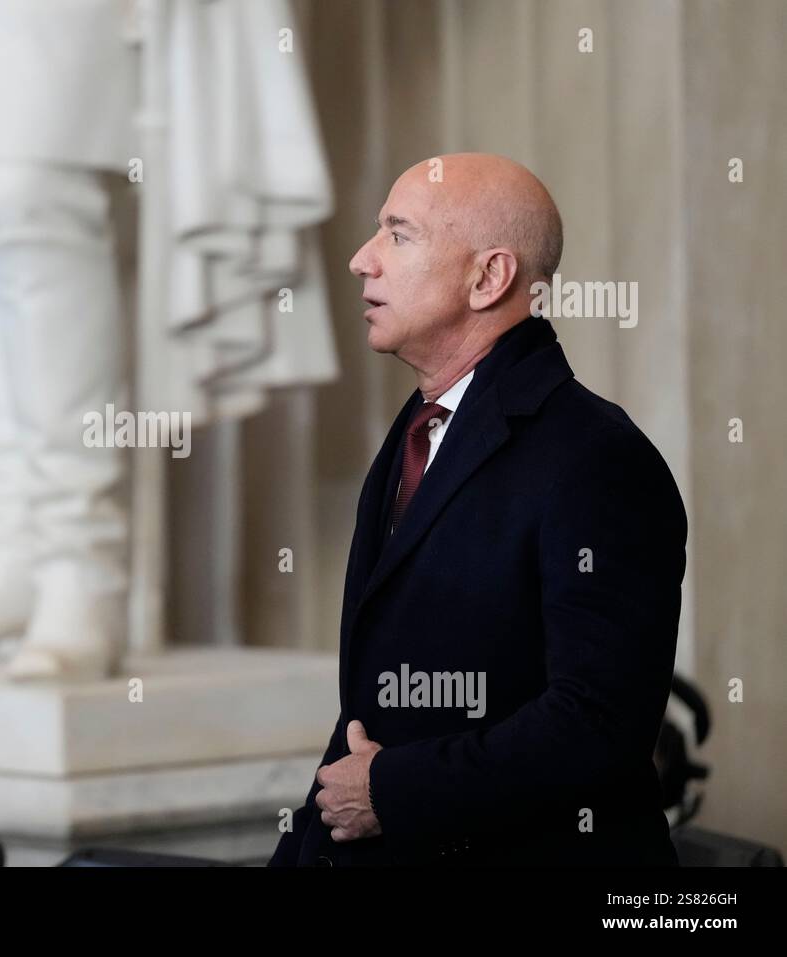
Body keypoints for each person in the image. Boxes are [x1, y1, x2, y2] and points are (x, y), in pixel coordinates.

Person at [270, 153, 687, 866]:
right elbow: (376, 709)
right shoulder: (422, 426)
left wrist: (393, 790)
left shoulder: (597, 455)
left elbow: (599, 725)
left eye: (398, 235)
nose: (360, 259)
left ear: (488, 277)